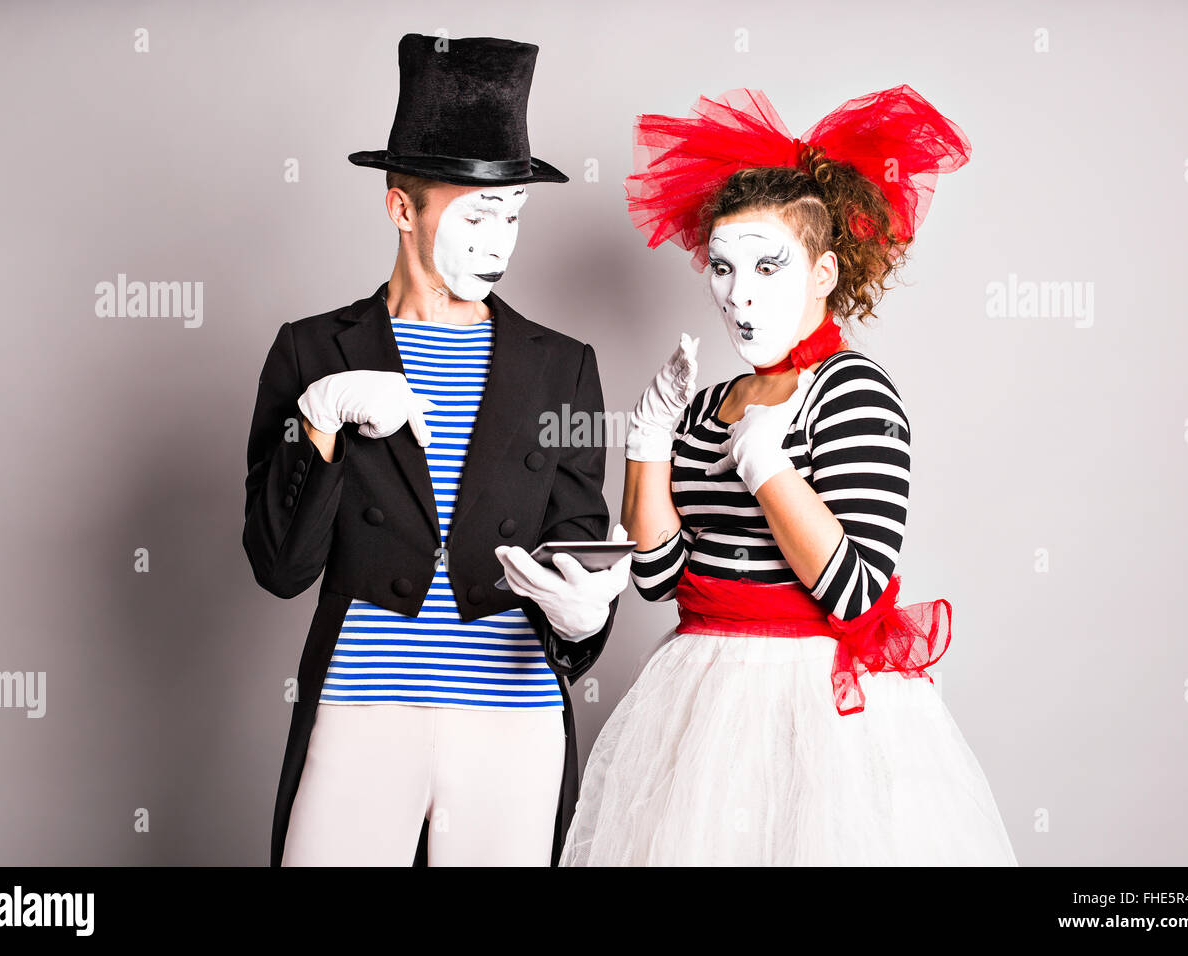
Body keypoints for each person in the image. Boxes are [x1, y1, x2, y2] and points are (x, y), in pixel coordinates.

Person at [559, 86, 1018, 865]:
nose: (740, 295)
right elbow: (660, 576)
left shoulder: (854, 390)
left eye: (769, 267)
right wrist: (649, 444)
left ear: (823, 270)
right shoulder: (710, 401)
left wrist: (768, 467)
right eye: (725, 269)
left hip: (819, 706)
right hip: (695, 691)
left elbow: (855, 592)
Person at [242, 33, 629, 867]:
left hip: (512, 722)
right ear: (402, 209)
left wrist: (586, 614)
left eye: (515, 217)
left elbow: (581, 566)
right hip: (359, 708)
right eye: (478, 214)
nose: (500, 242)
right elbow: (279, 569)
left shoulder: (563, 367)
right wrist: (319, 420)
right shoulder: (313, 352)